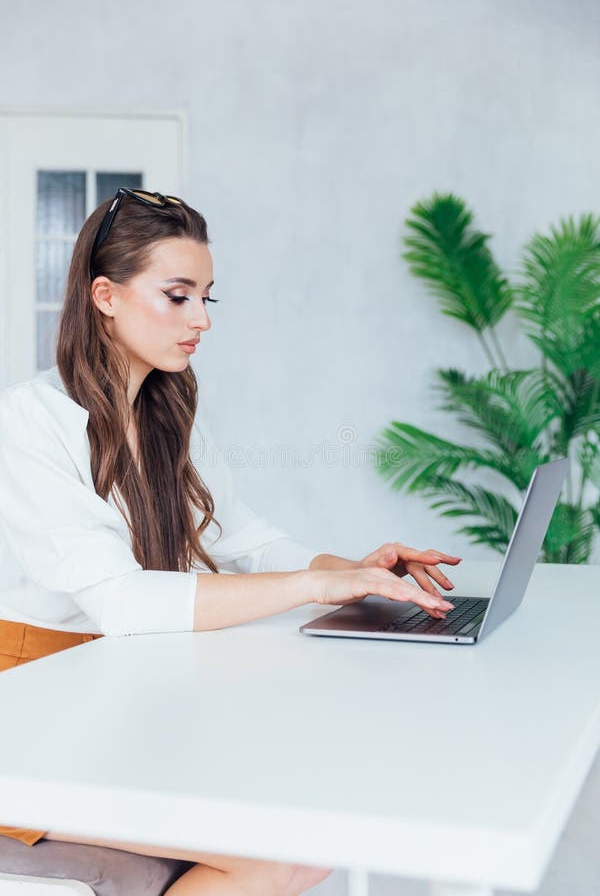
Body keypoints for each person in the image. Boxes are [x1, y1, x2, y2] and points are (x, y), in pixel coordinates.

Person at [0, 188, 460, 894]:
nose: (202, 320)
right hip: (30, 715)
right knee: (279, 855)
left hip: (115, 697)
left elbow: (247, 539)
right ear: (105, 296)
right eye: (177, 296)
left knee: (309, 829)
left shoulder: (166, 411)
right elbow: (121, 602)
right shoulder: (32, 420)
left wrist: (355, 571)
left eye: (207, 298)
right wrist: (313, 586)